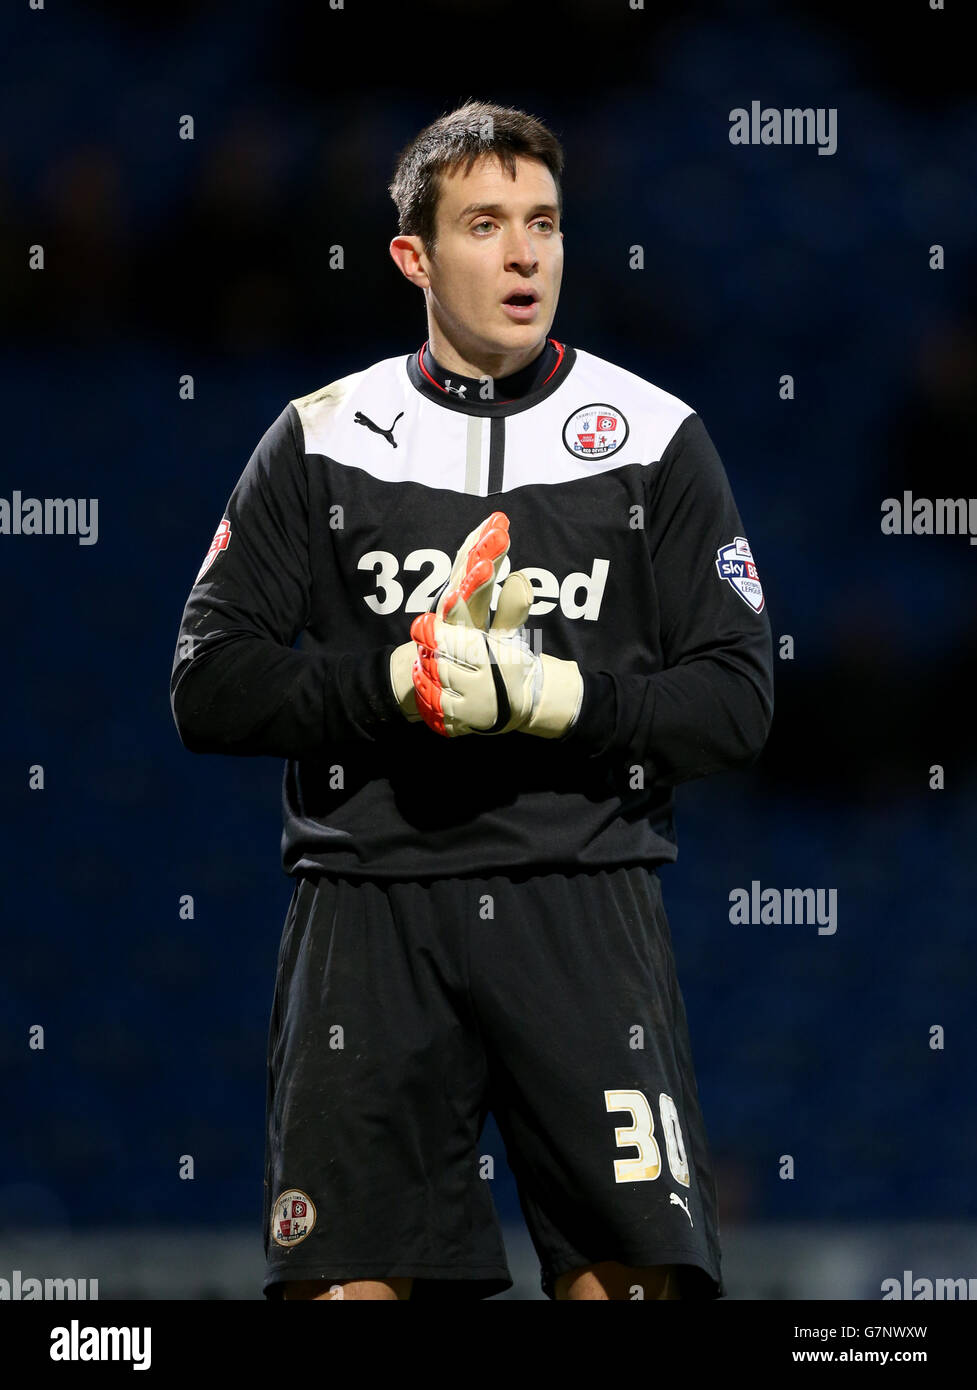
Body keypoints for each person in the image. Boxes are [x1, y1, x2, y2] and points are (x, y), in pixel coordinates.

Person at [169, 99, 774, 1301]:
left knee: (633, 1285)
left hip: (580, 899)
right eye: (485, 224)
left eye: (542, 223)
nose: (522, 255)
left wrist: (564, 697)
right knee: (350, 1288)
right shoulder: (320, 436)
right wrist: (393, 682)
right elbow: (208, 684)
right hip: (366, 905)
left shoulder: (653, 439)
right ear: (412, 256)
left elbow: (737, 700)